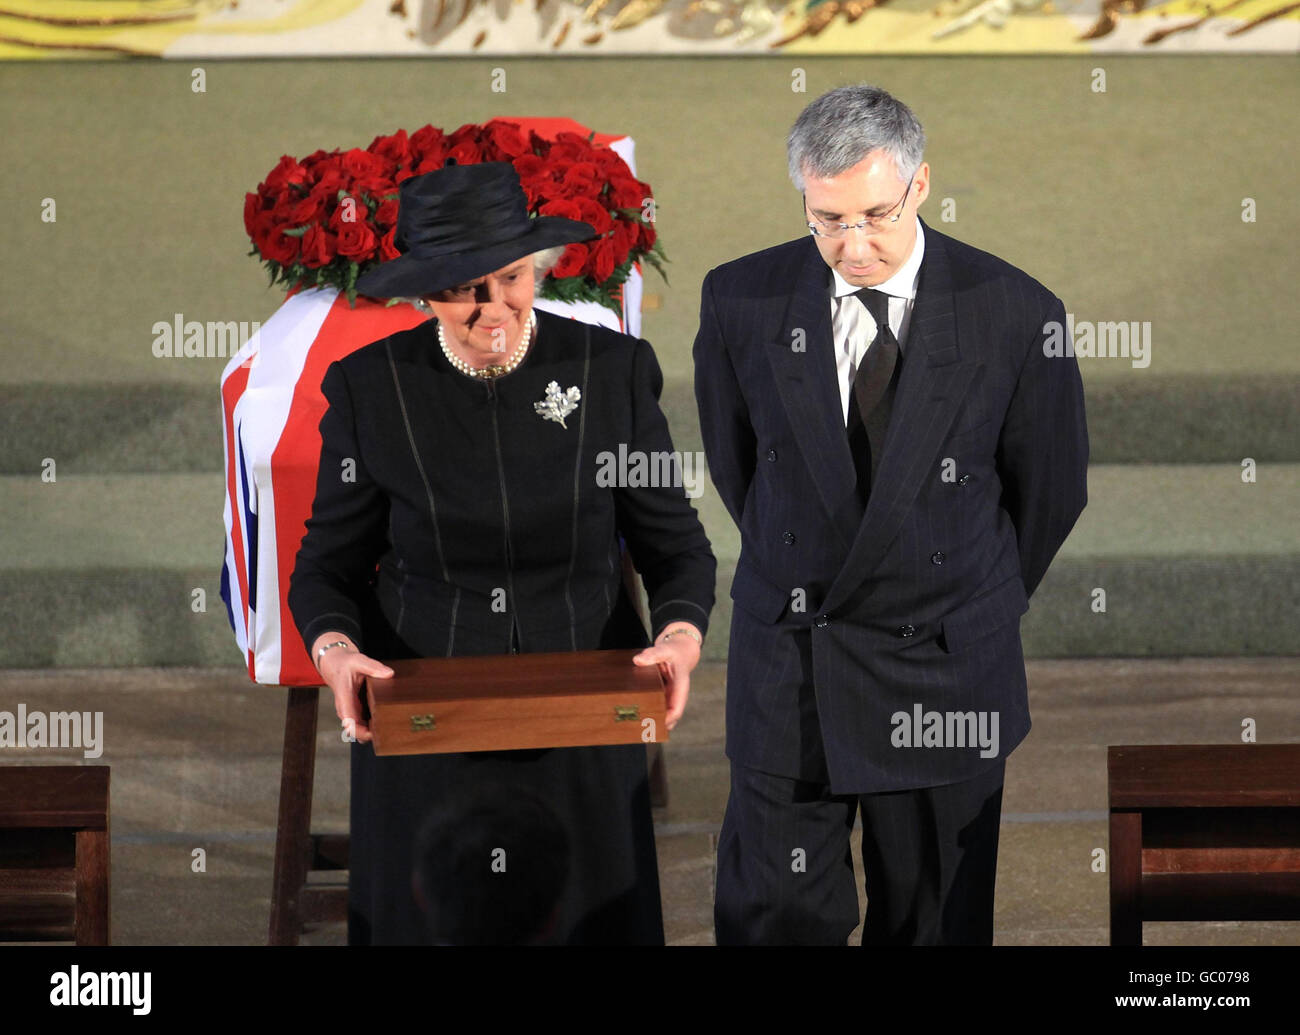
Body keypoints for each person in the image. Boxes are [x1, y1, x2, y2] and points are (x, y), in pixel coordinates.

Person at [693, 84, 1088, 945]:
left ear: (921, 185)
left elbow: (1050, 491)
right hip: (789, 660)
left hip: (943, 666)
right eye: (827, 220)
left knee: (932, 923)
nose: (853, 245)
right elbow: (740, 468)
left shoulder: (1017, 312)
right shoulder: (740, 299)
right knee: (773, 917)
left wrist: (960, 598)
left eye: (876, 215)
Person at [288, 160, 715, 945]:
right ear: (425, 293)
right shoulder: (369, 388)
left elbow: (676, 546)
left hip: (585, 713)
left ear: (538, 267)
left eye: (511, 278)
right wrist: (338, 652)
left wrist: (680, 635)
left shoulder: (611, 372)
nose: (494, 309)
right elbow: (326, 568)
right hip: (424, 715)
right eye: (464, 290)